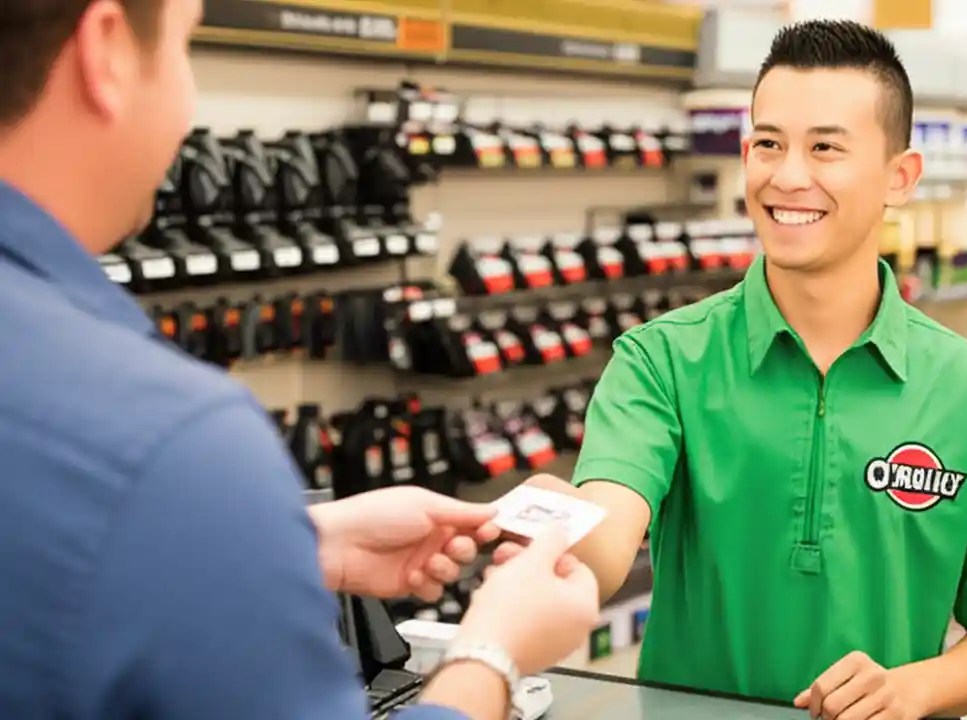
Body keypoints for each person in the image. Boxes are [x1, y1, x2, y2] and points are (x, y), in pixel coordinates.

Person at [0, 1, 600, 719]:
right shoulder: (166, 439)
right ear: (109, 52)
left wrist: (291, 541)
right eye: (184, 47)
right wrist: (493, 653)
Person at [494, 19, 967, 720]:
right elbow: (611, 529)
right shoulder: (662, 360)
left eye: (825, 148)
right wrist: (554, 532)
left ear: (900, 177)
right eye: (768, 144)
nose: (787, 176)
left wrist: (915, 688)